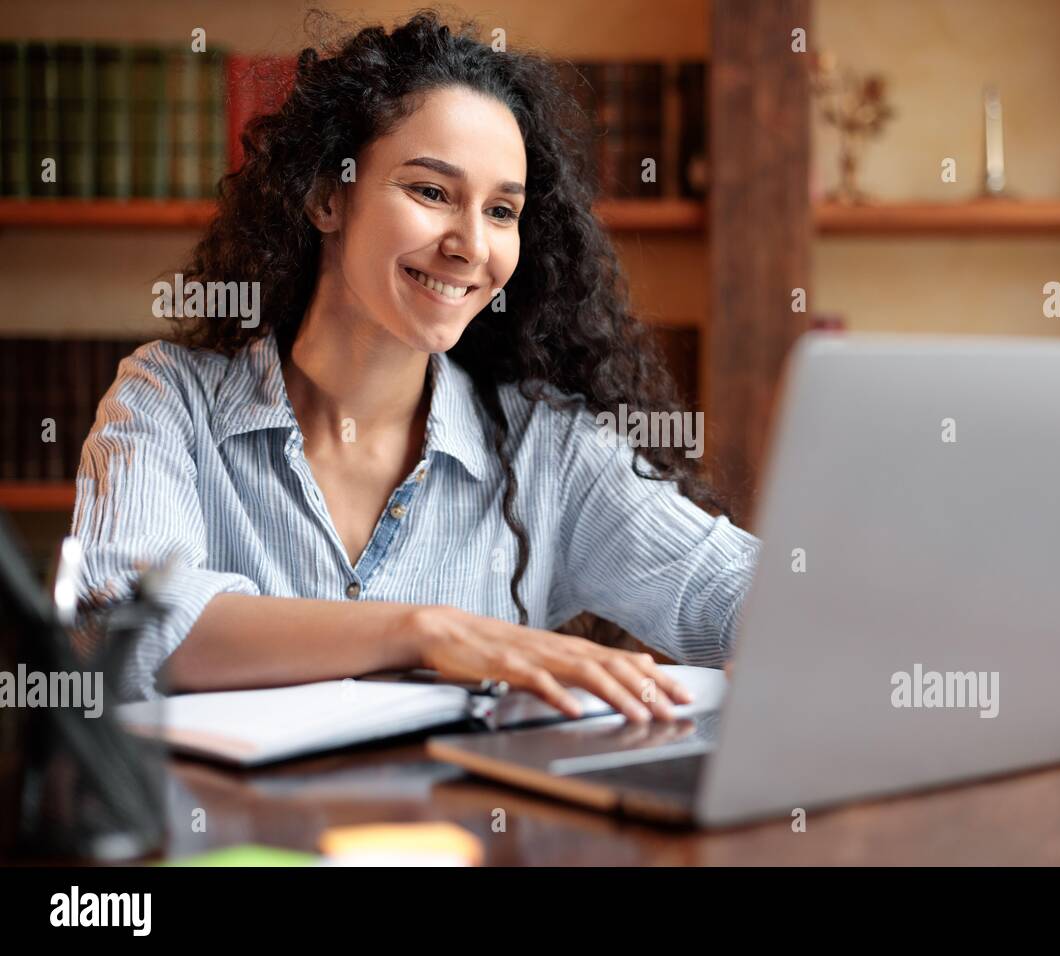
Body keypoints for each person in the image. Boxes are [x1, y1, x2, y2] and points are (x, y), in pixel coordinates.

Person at [72, 11, 760, 722]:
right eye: (431, 193)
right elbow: (128, 626)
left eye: (501, 211)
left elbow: (735, 589)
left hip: (466, 835)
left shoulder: (548, 448)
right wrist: (425, 634)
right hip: (226, 834)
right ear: (326, 196)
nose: (470, 245)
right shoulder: (169, 397)